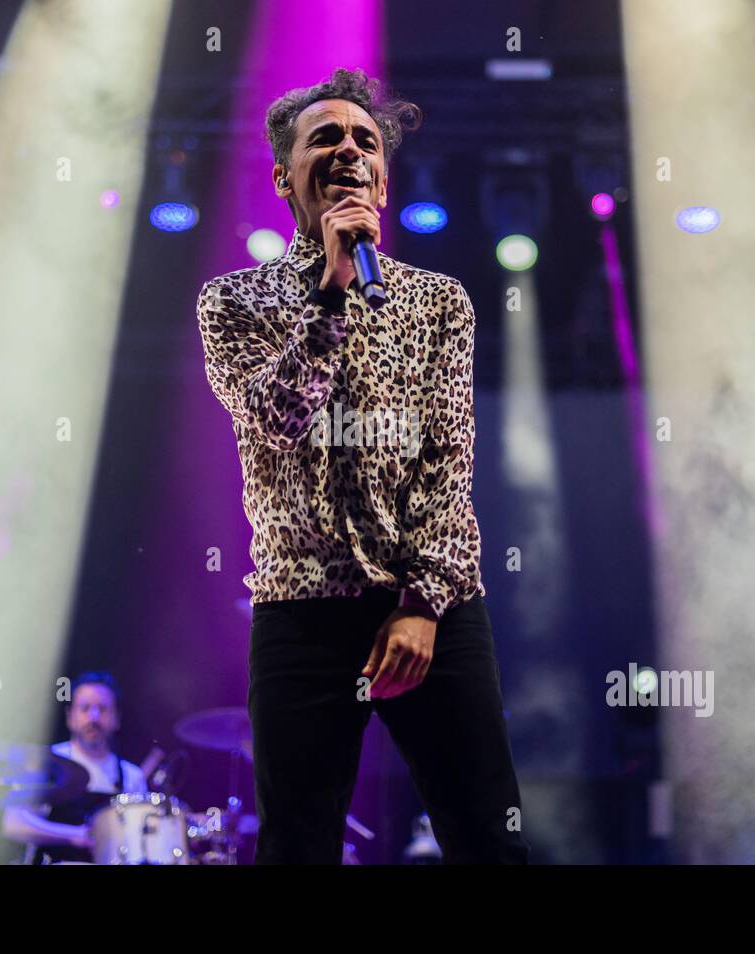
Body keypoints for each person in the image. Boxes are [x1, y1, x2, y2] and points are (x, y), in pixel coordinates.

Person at [196, 67, 528, 864]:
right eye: (326, 138)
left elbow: (450, 460)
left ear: (382, 176)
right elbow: (275, 418)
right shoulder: (233, 301)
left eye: (364, 141)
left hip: (432, 606)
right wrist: (332, 293)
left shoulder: (439, 301)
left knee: (488, 837)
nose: (348, 149)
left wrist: (422, 603)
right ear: (285, 175)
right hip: (301, 609)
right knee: (297, 846)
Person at [2, 671, 152, 863]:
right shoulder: (44, 761)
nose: (94, 717)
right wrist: (74, 835)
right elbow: (14, 825)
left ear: (117, 719)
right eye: (85, 708)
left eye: (103, 709)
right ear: (70, 717)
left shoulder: (132, 775)